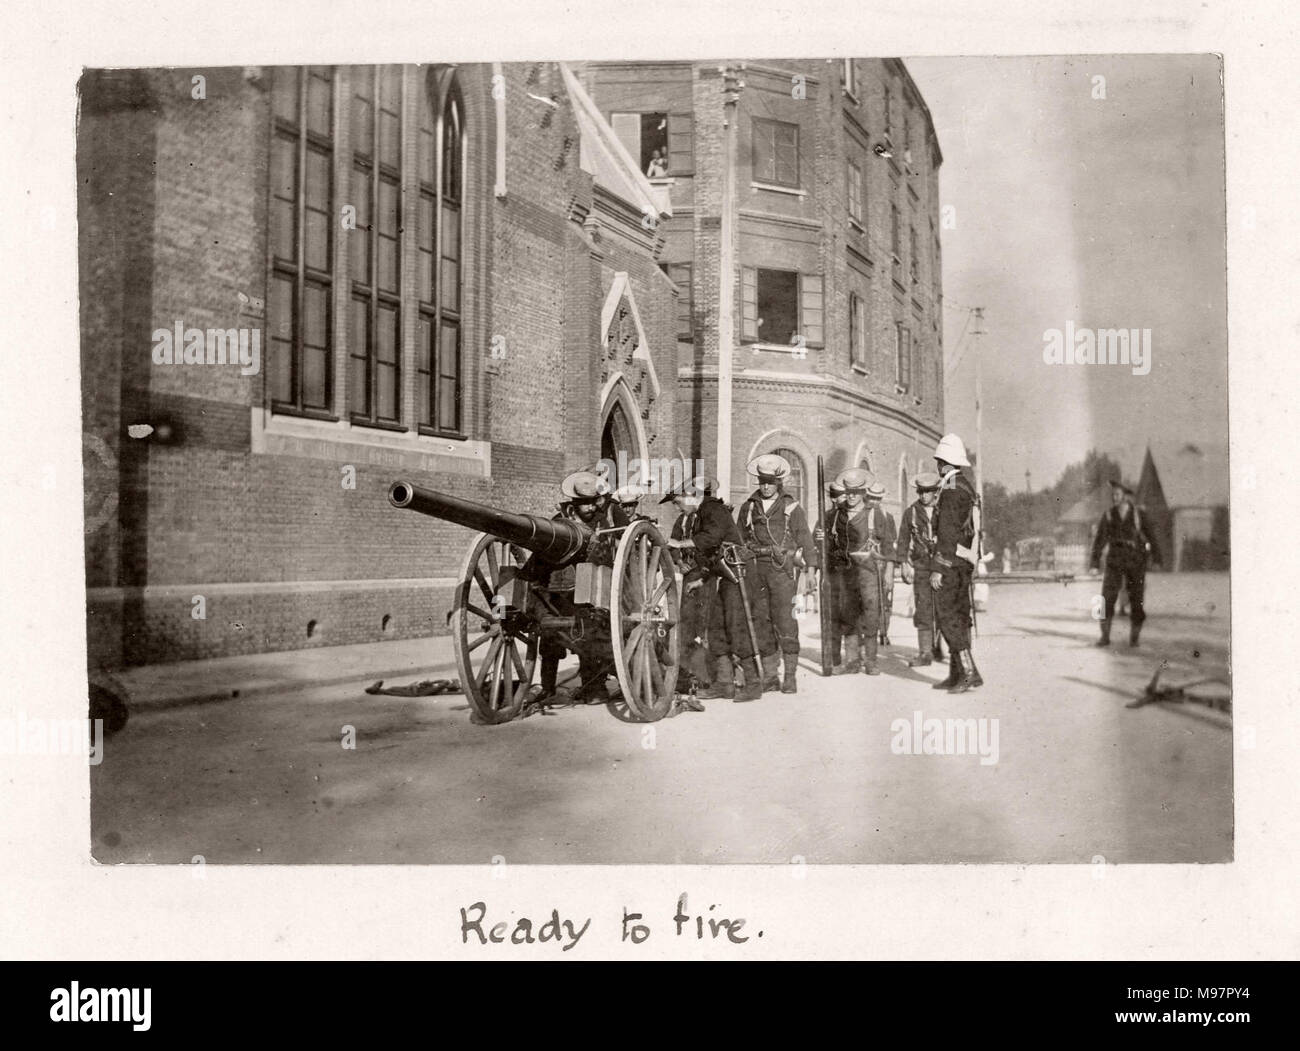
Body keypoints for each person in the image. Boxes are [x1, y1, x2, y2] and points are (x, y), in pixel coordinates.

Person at [528, 470, 623, 704]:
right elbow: (544, 549)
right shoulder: (559, 520)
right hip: (556, 586)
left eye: (593, 502)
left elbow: (612, 551)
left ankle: (595, 688)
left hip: (591, 582)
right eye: (584, 504)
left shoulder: (602, 520)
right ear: (574, 502)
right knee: (548, 639)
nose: (590, 508)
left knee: (589, 637)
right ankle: (548, 687)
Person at [666, 476, 762, 702]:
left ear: (691, 496)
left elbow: (712, 538)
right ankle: (724, 684)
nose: (676, 506)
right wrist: (704, 578)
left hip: (739, 575)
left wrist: (680, 544)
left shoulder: (713, 509)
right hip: (725, 574)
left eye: (678, 501)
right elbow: (714, 553)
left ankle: (753, 684)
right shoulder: (701, 514)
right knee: (716, 628)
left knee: (737, 627)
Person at [735, 454, 817, 694]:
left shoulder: (792, 507)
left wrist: (811, 571)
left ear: (779, 482)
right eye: (762, 480)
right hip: (755, 572)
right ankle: (771, 675)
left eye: (770, 481)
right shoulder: (749, 507)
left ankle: (790, 676)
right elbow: (739, 539)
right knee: (762, 622)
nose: (766, 486)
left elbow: (806, 541)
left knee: (786, 622)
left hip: (782, 572)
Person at [829, 468, 897, 675]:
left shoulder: (875, 514)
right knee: (847, 614)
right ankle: (852, 661)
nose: (851, 496)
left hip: (869, 570)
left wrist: (889, 572)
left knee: (871, 614)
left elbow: (887, 545)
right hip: (845, 571)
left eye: (856, 492)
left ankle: (871, 661)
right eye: (849, 491)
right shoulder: (835, 514)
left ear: (863, 493)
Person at [929, 434, 983, 693]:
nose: (938, 466)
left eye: (939, 461)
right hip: (964, 561)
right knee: (960, 617)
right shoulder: (966, 486)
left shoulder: (950, 491)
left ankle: (969, 673)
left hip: (950, 562)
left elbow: (947, 533)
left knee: (947, 615)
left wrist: (938, 568)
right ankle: (956, 674)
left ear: (946, 463)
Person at [1090, 479, 1161, 647]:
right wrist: (1094, 563)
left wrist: (1157, 558)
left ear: (1125, 496)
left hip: (1135, 559)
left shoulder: (1138, 515)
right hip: (1115, 559)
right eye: (1113, 495)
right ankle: (1105, 636)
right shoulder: (1108, 515)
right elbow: (1100, 539)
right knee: (1106, 597)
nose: (1115, 498)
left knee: (1137, 598)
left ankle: (1134, 638)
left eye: (1118, 494)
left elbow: (1151, 536)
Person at [896, 471, 946, 667]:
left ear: (936, 492)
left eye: (928, 492)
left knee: (943, 609)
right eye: (920, 492)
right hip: (922, 567)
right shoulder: (912, 512)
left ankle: (939, 648)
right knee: (924, 609)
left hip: (943, 567)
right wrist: (904, 563)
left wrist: (941, 567)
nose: (923, 496)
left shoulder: (944, 511)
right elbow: (902, 540)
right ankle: (925, 653)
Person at [812, 480, 848, 666]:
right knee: (832, 613)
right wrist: (820, 539)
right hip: (832, 571)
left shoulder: (851, 516)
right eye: (834, 496)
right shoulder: (825, 517)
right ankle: (834, 655)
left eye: (840, 496)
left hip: (850, 572)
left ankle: (856, 656)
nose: (837, 500)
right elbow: (815, 541)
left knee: (850, 614)